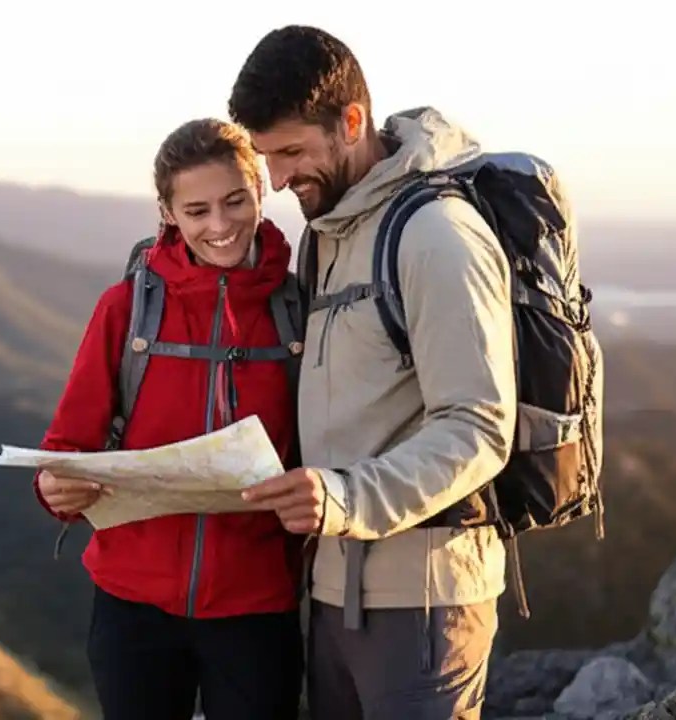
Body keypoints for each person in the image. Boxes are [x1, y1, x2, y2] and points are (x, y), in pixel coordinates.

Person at [230, 25, 518, 720]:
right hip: (332, 596)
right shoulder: (327, 233)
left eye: (292, 152)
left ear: (351, 122)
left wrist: (346, 499)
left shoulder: (436, 235)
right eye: (267, 157)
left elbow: (480, 427)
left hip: (424, 604)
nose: (276, 180)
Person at [32, 117, 304, 720]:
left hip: (256, 608)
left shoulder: (299, 310)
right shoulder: (127, 309)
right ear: (167, 211)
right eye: (197, 209)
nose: (220, 225)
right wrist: (56, 488)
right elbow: (65, 447)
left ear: (260, 190)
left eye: (235, 201)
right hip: (133, 608)